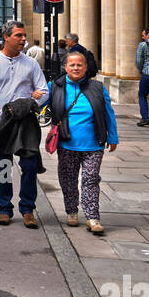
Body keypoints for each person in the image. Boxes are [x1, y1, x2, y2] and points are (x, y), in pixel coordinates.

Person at [0, 20, 48, 227]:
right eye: (18, 35)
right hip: (2, 123)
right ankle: (5, 209)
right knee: (4, 166)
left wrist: (33, 100)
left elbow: (44, 91)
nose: (23, 39)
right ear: (6, 37)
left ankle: (27, 210)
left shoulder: (31, 63)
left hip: (26, 122)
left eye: (24, 35)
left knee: (29, 166)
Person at [50, 45, 119, 234]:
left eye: (79, 65)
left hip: (93, 144)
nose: (75, 68)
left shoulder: (97, 87)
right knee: (68, 180)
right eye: (72, 65)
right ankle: (72, 212)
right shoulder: (55, 86)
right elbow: (39, 103)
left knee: (90, 179)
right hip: (66, 143)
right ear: (65, 67)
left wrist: (112, 136)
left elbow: (108, 113)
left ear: (86, 67)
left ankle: (92, 217)